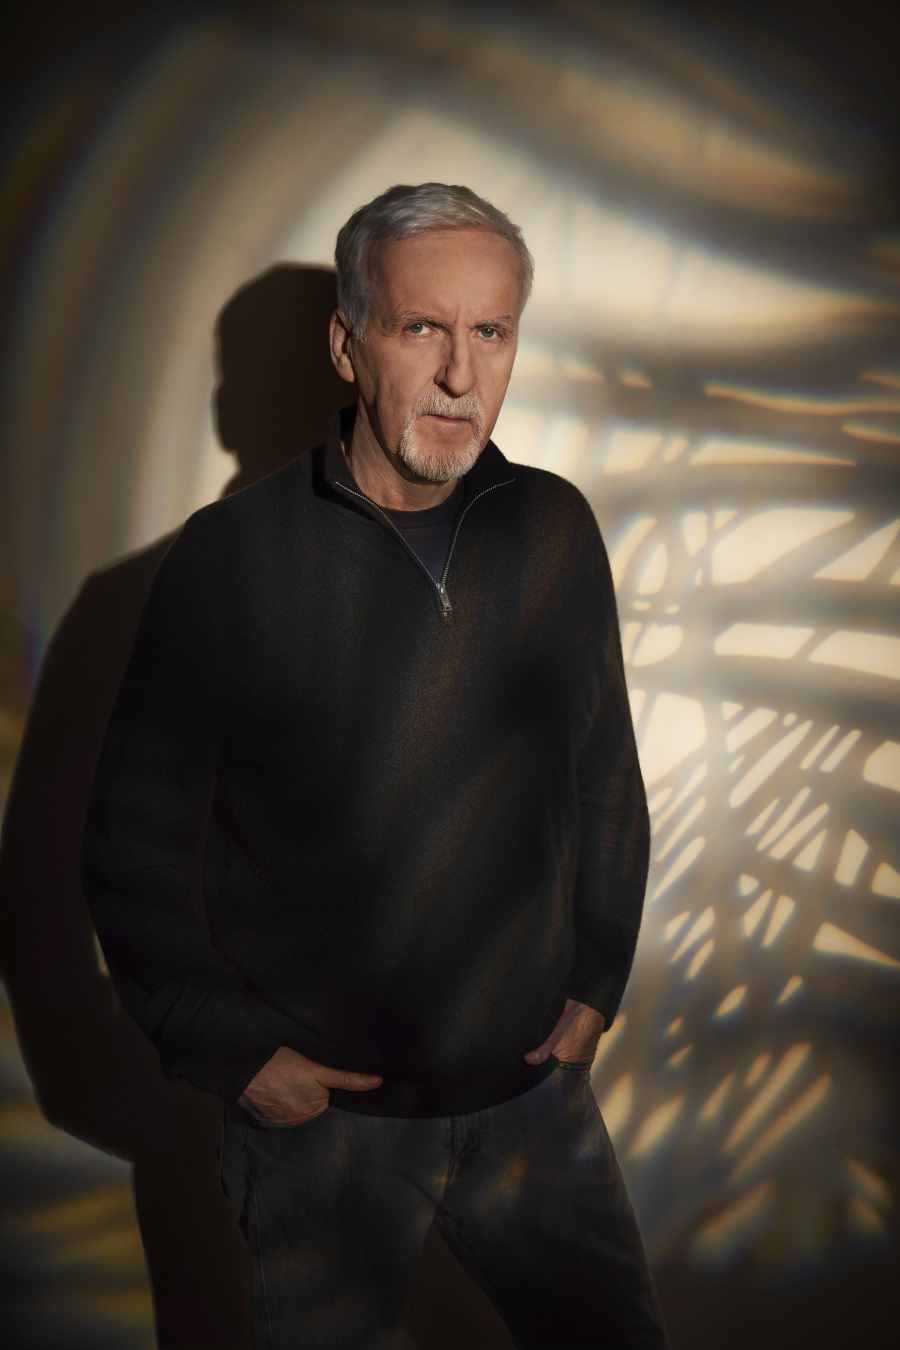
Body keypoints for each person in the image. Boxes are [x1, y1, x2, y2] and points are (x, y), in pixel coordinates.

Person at [81, 182, 670, 1349]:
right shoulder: (232, 557)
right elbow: (131, 841)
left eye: (491, 331)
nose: (461, 375)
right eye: (421, 329)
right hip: (324, 1139)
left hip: (532, 1109)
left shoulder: (554, 527)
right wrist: (232, 1051)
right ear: (348, 346)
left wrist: (599, 979)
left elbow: (604, 769)